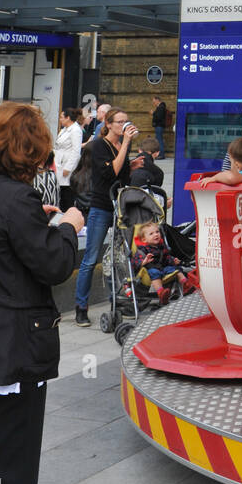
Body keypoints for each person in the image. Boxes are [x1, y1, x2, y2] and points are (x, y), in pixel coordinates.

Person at [0, 102, 84, 484]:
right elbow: (54, 264)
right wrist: (67, 227)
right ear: (27, 152)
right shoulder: (17, 199)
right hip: (7, 353)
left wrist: (33, 224)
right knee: (9, 470)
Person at [74, 107, 138, 326]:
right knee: (91, 258)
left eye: (126, 121)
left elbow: (121, 175)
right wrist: (126, 144)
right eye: (119, 122)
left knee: (118, 257)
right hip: (101, 206)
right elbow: (110, 172)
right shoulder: (99, 145)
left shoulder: (122, 145)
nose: (124, 125)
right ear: (108, 124)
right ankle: (81, 307)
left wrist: (132, 165)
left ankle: (117, 301)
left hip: (119, 207)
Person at [132, 221, 188, 304]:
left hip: (163, 268)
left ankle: (186, 284)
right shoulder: (142, 250)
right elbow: (135, 262)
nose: (156, 234)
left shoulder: (161, 246)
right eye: (151, 234)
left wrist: (173, 261)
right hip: (150, 270)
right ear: (144, 239)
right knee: (154, 272)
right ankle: (161, 293)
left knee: (176, 269)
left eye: (157, 232)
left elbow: (167, 257)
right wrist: (144, 262)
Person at [54, 108, 84, 208]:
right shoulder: (64, 130)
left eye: (62, 117)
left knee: (66, 192)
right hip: (59, 163)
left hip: (66, 165)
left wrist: (68, 167)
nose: (60, 119)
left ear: (68, 118)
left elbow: (76, 151)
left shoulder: (75, 130)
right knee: (60, 192)